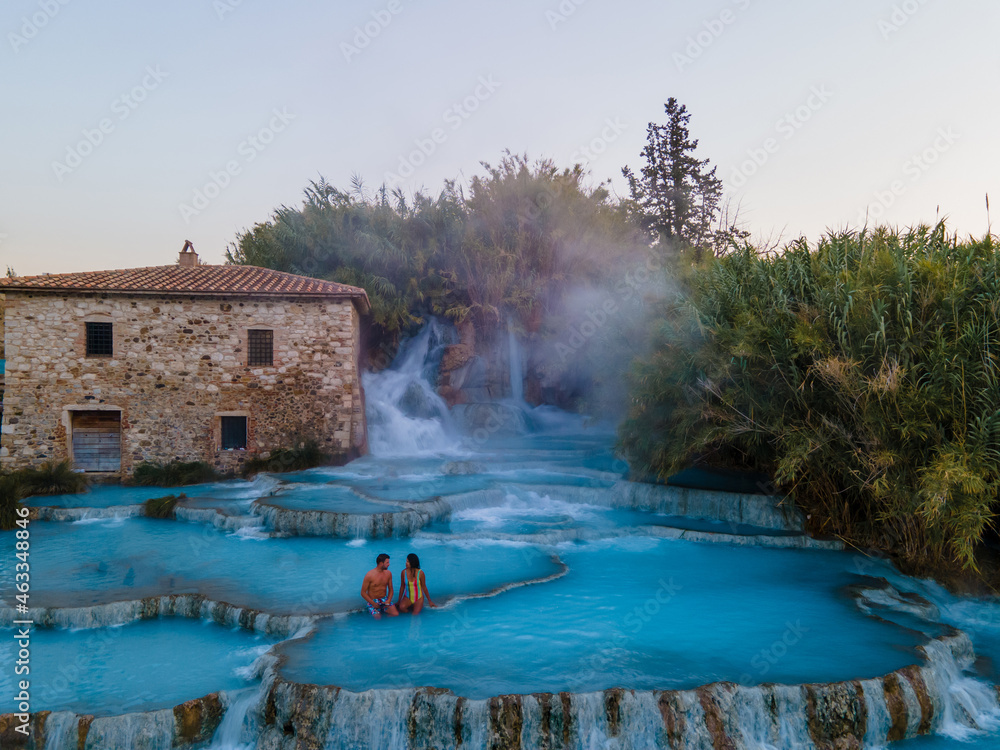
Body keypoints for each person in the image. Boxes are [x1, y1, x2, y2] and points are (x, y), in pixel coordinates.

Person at [361, 553, 399, 619]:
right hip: (373, 601)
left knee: (395, 614)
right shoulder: (370, 575)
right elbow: (363, 593)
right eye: (387, 562)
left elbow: (391, 589)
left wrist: (389, 600)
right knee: (378, 618)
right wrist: (373, 603)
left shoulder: (388, 573)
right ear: (381, 563)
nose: (389, 564)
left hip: (384, 599)